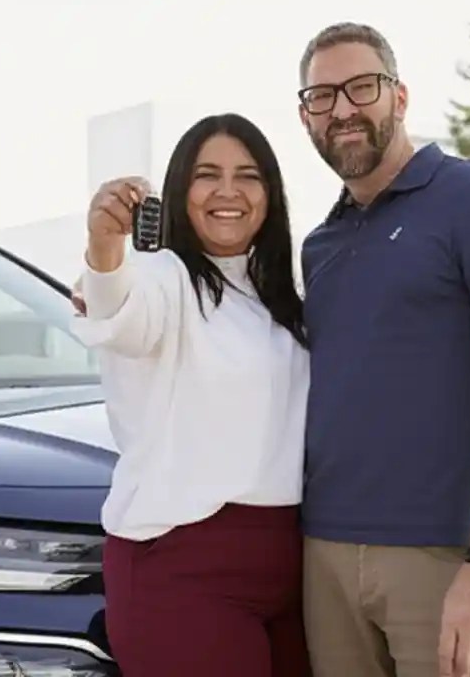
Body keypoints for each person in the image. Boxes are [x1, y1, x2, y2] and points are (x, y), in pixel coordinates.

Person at [293, 22, 470, 677]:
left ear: (400, 96)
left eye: (361, 87)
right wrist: (116, 287)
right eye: (321, 97)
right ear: (305, 116)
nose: (343, 109)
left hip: (444, 563)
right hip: (324, 556)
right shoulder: (319, 245)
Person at [70, 112, 312, 677]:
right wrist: (104, 247)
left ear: (270, 195)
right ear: (181, 190)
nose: (228, 191)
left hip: (292, 570)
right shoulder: (164, 277)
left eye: (247, 175)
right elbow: (122, 313)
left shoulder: (283, 296)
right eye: (208, 174)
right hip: (182, 571)